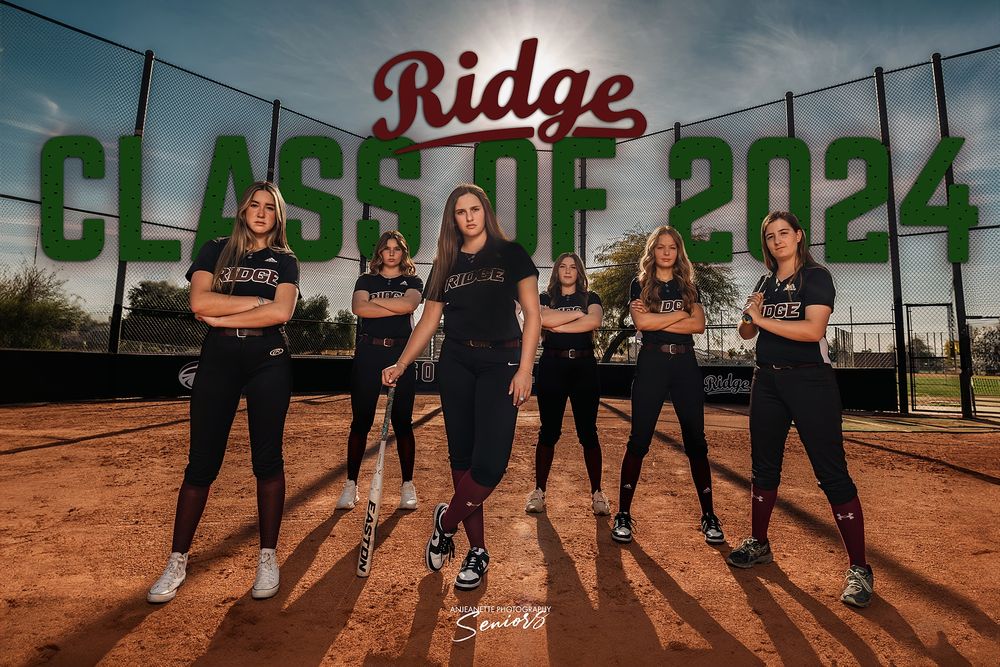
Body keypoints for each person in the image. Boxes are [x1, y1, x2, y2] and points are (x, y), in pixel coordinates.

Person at [382, 183, 540, 591]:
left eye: (474, 209)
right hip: (456, 362)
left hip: (502, 363)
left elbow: (532, 315)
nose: (468, 217)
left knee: (491, 465)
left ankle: (445, 521)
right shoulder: (445, 263)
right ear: (453, 219)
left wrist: (525, 369)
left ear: (485, 212)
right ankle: (477, 551)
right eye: (460, 212)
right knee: (463, 457)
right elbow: (429, 322)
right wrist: (401, 363)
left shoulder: (511, 253)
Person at [147, 181, 299, 603]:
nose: (262, 212)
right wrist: (254, 303)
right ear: (243, 209)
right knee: (201, 463)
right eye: (255, 204)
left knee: (267, 459)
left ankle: (268, 557)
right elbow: (198, 301)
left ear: (278, 215)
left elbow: (282, 311)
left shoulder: (285, 260)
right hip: (219, 358)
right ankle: (177, 559)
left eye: (270, 207)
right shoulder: (216, 249)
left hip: (269, 357)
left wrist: (226, 306)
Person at [728, 211, 873, 609]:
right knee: (763, 468)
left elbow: (813, 331)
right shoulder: (764, 282)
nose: (777, 241)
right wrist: (751, 313)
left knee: (831, 474)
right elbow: (745, 332)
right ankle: (760, 543)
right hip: (767, 381)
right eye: (770, 236)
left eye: (783, 233)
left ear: (798, 236)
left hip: (811, 381)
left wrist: (761, 318)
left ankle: (859, 568)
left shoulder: (816, 277)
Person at [611, 225, 724, 546]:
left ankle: (709, 516)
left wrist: (659, 316)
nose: (665, 252)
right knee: (639, 439)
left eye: (671, 247)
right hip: (652, 363)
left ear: (678, 252)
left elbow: (698, 325)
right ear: (652, 251)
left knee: (696, 441)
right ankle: (623, 514)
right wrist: (678, 317)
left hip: (686, 364)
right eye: (660, 246)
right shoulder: (641, 285)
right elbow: (642, 324)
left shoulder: (688, 287)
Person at [335, 231, 423, 511]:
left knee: (402, 421)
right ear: (379, 253)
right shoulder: (366, 279)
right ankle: (351, 485)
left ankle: (407, 485)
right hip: (369, 352)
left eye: (397, 248)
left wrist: (376, 304)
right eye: (386, 248)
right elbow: (357, 308)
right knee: (361, 420)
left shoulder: (413, 280)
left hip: (401, 353)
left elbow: (409, 305)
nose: (392, 253)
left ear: (403, 252)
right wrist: (391, 307)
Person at [524, 252, 610, 516]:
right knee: (549, 431)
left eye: (573, 266)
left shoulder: (591, 297)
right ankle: (539, 491)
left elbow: (594, 320)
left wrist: (556, 323)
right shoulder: (545, 298)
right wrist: (575, 315)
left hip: (584, 366)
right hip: (553, 364)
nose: (568, 270)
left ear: (579, 271)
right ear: (556, 271)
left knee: (588, 432)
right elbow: (539, 319)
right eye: (563, 266)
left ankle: (597, 493)